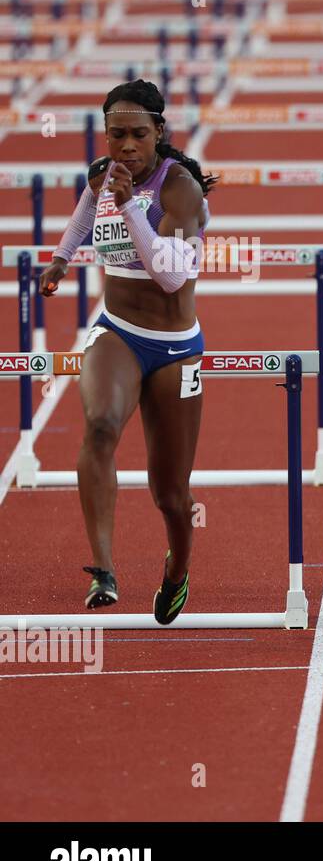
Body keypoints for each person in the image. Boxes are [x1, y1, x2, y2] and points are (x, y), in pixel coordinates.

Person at [40, 79, 216, 621]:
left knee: (170, 494)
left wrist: (130, 208)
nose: (126, 148)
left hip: (174, 347)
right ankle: (104, 570)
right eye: (116, 135)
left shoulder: (180, 189)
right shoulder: (102, 175)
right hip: (116, 330)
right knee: (99, 427)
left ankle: (178, 569)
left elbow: (170, 277)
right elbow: (83, 216)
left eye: (138, 134)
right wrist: (63, 261)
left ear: (159, 133)